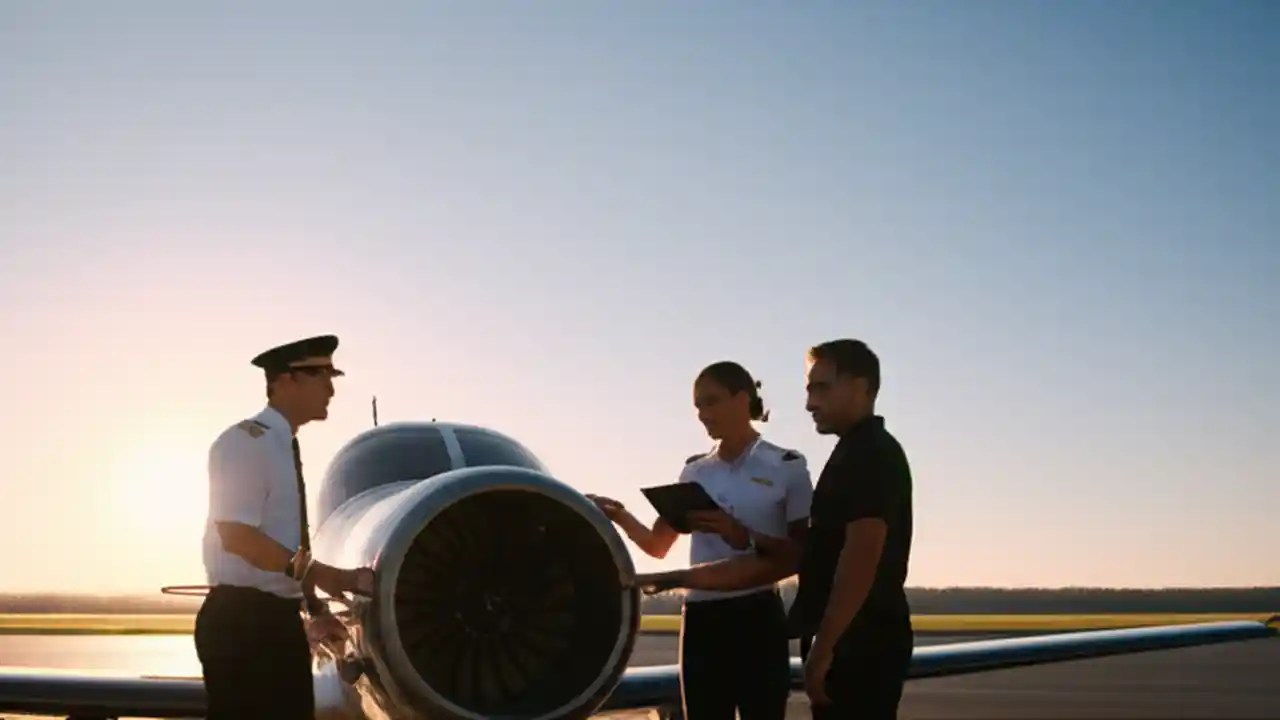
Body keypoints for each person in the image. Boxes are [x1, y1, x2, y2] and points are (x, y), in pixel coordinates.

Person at [590, 361, 813, 720]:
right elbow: (657, 546)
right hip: (701, 620)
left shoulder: (787, 465)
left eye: (711, 402)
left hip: (758, 616)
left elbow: (801, 554)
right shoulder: (695, 471)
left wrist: (741, 534)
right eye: (697, 407)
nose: (703, 415)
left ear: (742, 400)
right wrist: (620, 515)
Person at [194, 334, 375, 719]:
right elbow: (237, 536)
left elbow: (286, 543)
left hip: (276, 621)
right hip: (243, 625)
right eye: (320, 375)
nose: (330, 389)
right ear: (285, 380)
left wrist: (313, 606)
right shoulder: (246, 443)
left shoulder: (281, 446)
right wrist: (327, 575)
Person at [790, 338, 914, 719]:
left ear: (862, 387)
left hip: (860, 645)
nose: (810, 402)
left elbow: (862, 554)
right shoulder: (855, 450)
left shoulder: (869, 453)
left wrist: (824, 649)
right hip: (856, 642)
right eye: (809, 389)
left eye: (821, 388)